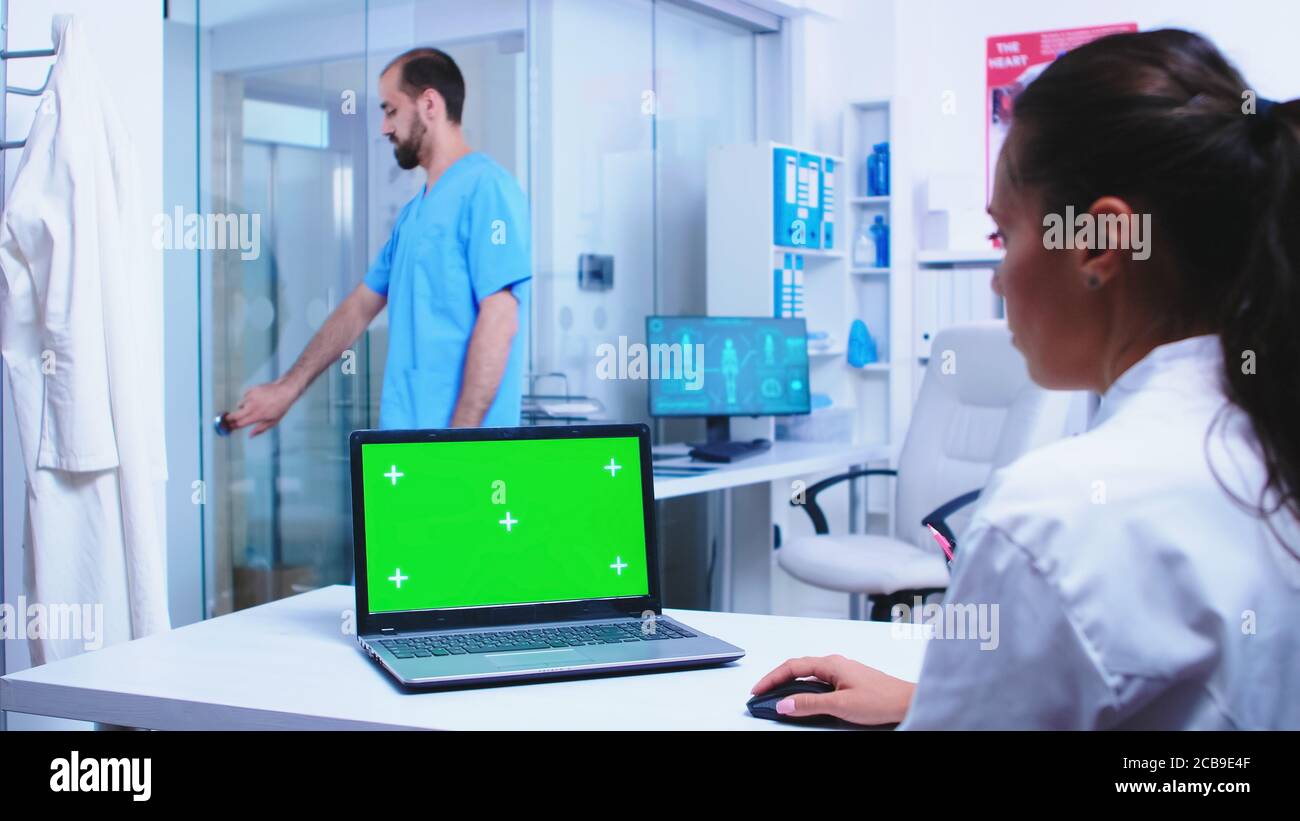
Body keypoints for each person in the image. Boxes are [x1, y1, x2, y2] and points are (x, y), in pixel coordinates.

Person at [752, 29, 1300, 729]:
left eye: (1004, 235)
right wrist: (928, 699)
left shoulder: (1050, 518)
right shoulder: (1269, 438)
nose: (997, 276)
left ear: (1101, 245)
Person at [227, 47, 530, 434]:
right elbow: (358, 308)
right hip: (404, 450)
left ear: (430, 104)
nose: (385, 127)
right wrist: (287, 389)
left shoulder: (487, 189)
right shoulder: (413, 215)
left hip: (463, 457)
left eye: (390, 110)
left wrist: (459, 446)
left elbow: (499, 321)